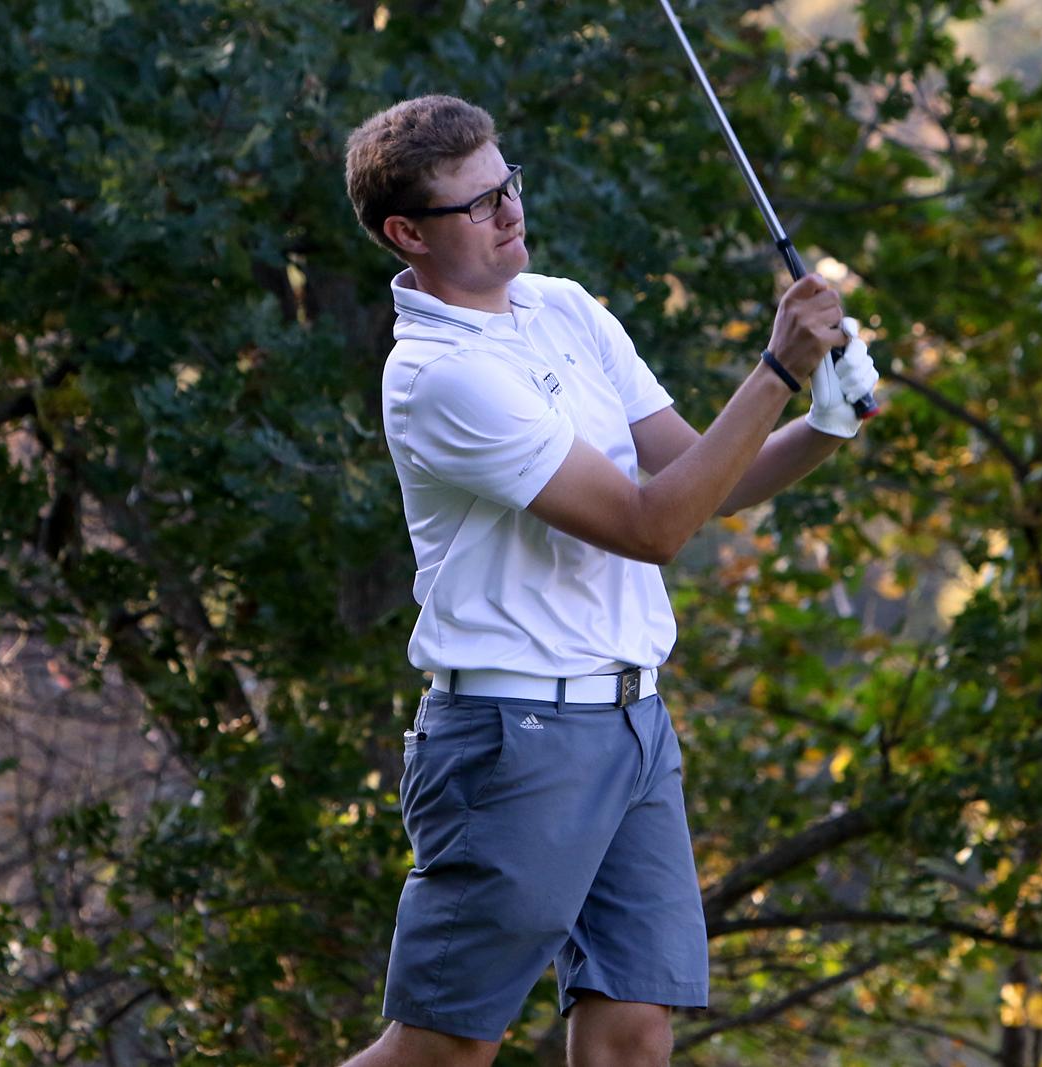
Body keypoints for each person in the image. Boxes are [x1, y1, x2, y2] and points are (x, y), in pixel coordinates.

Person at [340, 94, 877, 1067]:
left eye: (509, 185)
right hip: (513, 739)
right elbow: (652, 527)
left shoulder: (563, 307)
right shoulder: (438, 372)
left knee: (633, 1032)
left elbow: (697, 479)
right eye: (477, 205)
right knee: (444, 1048)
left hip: (634, 726)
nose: (508, 212)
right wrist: (774, 372)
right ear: (406, 233)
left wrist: (824, 423)